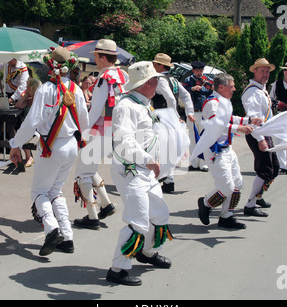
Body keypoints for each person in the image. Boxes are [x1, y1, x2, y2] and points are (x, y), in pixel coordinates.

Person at [9, 47, 89, 256]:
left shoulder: (46, 89)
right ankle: (67, 237)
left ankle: (52, 228)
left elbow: (32, 122)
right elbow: (84, 121)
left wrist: (15, 144)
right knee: (55, 191)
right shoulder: (76, 89)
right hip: (71, 146)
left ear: (50, 65)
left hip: (51, 147)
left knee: (39, 192)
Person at [106, 61, 172, 286]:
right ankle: (118, 269)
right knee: (138, 221)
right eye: (154, 80)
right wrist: (148, 160)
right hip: (131, 170)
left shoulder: (143, 103)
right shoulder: (127, 107)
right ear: (145, 83)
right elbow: (124, 142)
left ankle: (147, 252)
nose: (156, 83)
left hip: (146, 170)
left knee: (159, 213)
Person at [193, 73, 262, 229]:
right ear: (222, 87)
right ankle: (205, 203)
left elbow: (230, 119)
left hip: (226, 149)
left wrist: (249, 120)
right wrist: (240, 128)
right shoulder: (212, 103)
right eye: (232, 86)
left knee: (238, 183)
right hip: (215, 150)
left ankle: (227, 216)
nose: (234, 89)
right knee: (226, 187)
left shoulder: (223, 102)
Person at [73, 39, 128, 230]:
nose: (94, 59)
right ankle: (106, 204)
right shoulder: (122, 75)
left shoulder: (103, 79)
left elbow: (95, 110)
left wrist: (83, 133)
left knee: (82, 173)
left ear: (103, 57)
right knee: (90, 168)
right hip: (112, 130)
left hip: (99, 129)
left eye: (96, 56)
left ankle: (93, 216)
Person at [241, 58, 279, 217]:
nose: (265, 74)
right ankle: (250, 204)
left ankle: (259, 196)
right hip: (258, 134)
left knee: (274, 168)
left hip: (264, 132)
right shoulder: (252, 92)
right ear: (254, 71)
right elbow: (254, 118)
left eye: (267, 71)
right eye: (262, 71)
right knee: (265, 170)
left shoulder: (260, 89)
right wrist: (261, 139)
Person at [151, 53, 194, 193]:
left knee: (158, 148)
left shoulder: (160, 79)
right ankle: (169, 181)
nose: (153, 66)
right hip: (167, 117)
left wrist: (173, 115)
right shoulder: (174, 79)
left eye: (155, 64)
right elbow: (186, 95)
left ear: (160, 65)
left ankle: (161, 178)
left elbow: (171, 99)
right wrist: (189, 112)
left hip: (162, 117)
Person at [183, 61, 213, 172]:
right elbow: (183, 91)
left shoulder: (208, 80)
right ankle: (194, 162)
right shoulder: (188, 80)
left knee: (203, 137)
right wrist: (192, 89)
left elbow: (212, 92)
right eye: (197, 70)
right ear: (193, 70)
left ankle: (204, 163)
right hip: (191, 112)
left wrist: (203, 89)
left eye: (201, 70)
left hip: (203, 112)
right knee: (192, 137)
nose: (199, 73)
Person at [14, 77, 42, 167]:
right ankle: (25, 156)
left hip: (36, 128)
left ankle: (29, 157)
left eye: (27, 87)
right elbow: (17, 105)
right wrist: (26, 95)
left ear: (32, 88)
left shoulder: (39, 101)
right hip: (28, 127)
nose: (26, 89)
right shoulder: (29, 100)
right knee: (17, 130)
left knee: (20, 132)